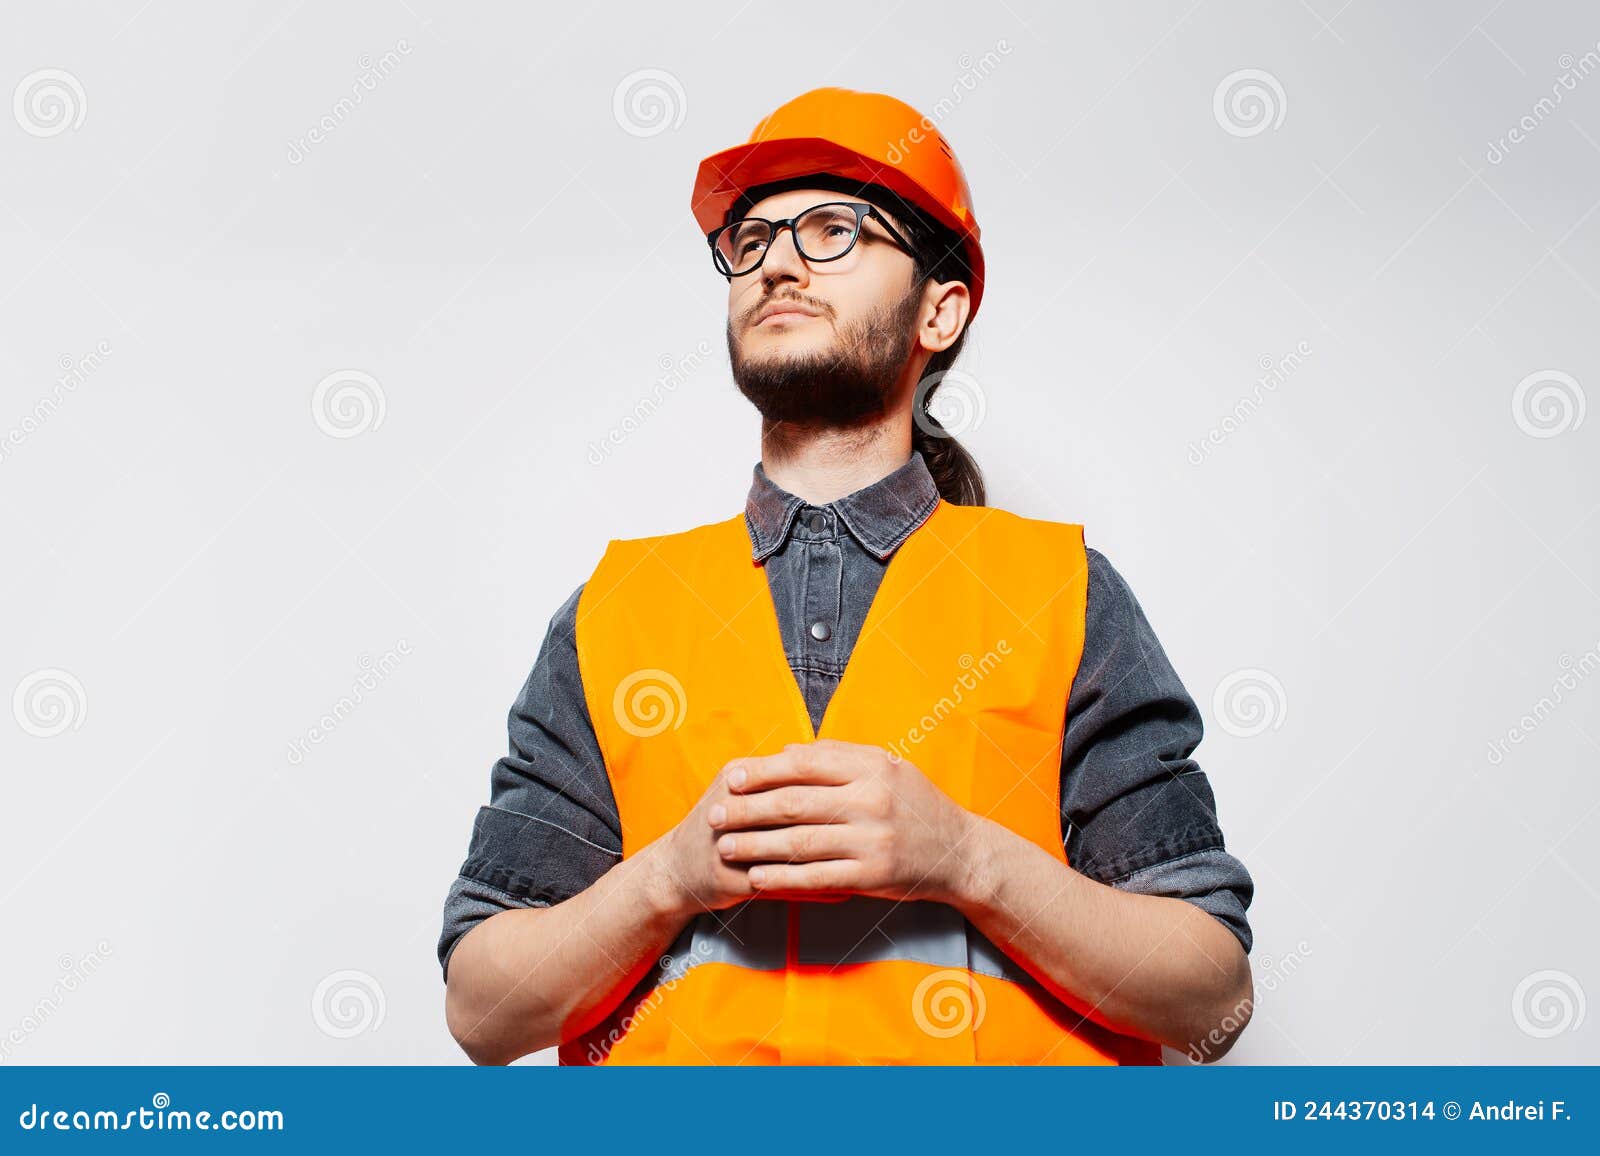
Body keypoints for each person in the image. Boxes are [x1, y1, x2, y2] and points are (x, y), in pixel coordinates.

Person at [438, 87, 1254, 1066]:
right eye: (750, 240)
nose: (776, 261)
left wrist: (964, 858)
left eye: (834, 230)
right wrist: (667, 879)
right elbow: (482, 1013)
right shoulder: (616, 614)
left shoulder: (1060, 594)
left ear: (939, 309)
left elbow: (1212, 996)